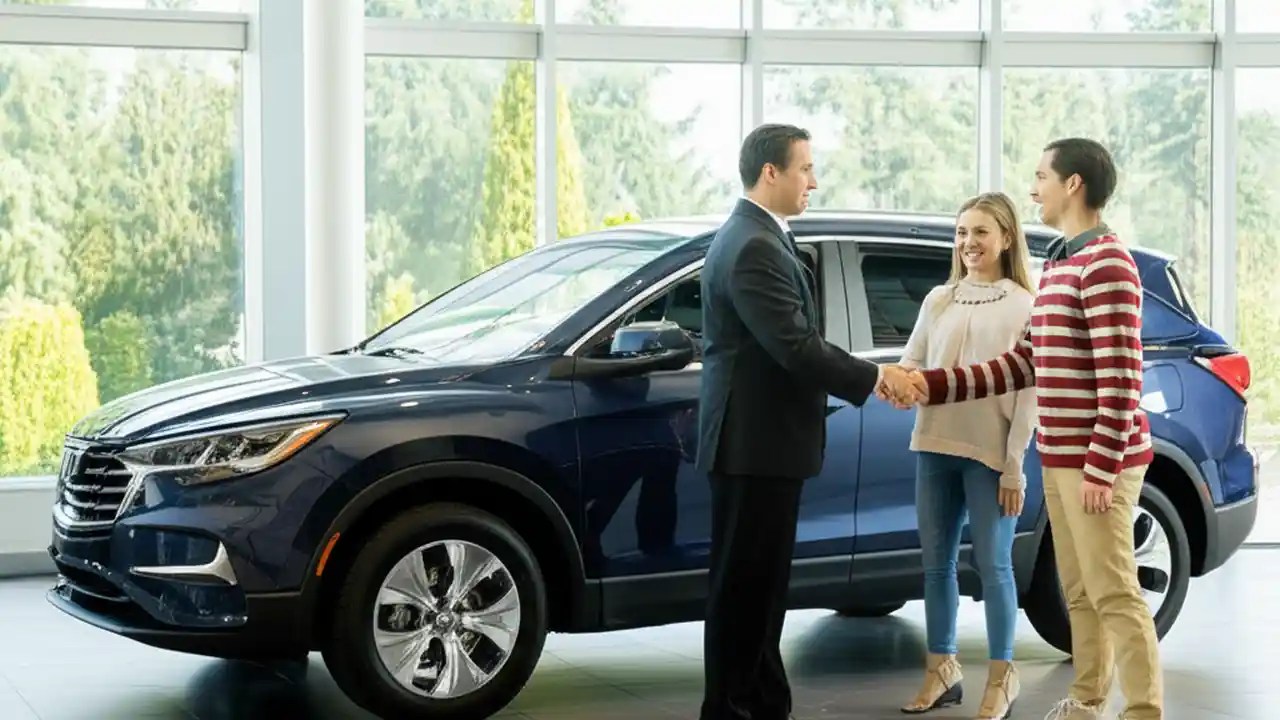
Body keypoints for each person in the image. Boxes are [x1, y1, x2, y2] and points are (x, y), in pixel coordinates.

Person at [884, 138, 1163, 720]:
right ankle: (1087, 699)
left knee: (1113, 590)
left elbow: (1121, 379)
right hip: (1060, 456)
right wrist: (929, 386)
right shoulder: (1062, 262)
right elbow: (1021, 364)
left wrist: (1102, 465)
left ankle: (1143, 710)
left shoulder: (1109, 264)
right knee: (1081, 591)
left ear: (1074, 185)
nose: (1032, 188)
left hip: (1096, 460)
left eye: (1041, 177)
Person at [696, 122, 913, 720]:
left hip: (759, 446)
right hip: (753, 447)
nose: (813, 180)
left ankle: (765, 704)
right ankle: (733, 709)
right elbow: (795, 346)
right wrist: (877, 377)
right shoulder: (753, 245)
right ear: (772, 172)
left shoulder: (758, 236)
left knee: (761, 592)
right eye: (805, 168)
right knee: (746, 594)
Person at [889, 192, 1037, 719]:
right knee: (937, 566)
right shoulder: (939, 299)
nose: (968, 243)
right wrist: (898, 384)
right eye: (961, 233)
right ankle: (941, 670)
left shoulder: (1023, 303)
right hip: (934, 445)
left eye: (979, 232)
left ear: (1005, 238)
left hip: (990, 452)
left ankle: (1002, 677)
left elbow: (1028, 392)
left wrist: (1015, 464)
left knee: (994, 565)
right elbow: (913, 361)